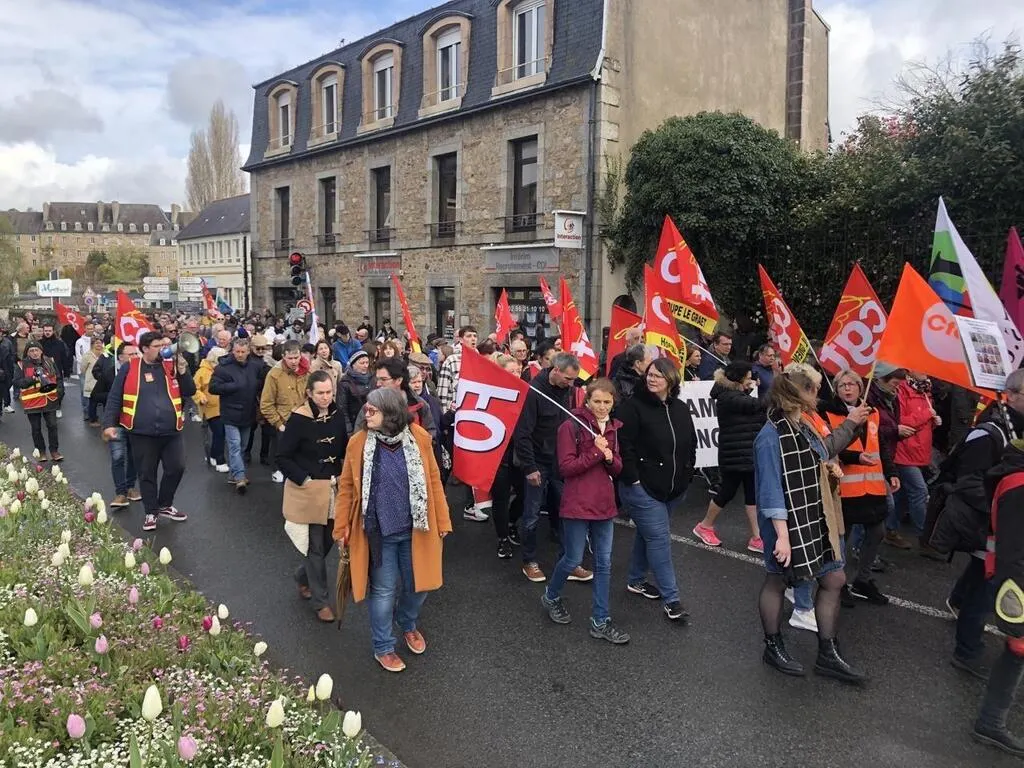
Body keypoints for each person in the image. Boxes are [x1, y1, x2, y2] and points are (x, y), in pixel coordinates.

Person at [753, 365, 868, 683]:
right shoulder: (770, 436)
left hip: (814, 518)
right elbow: (771, 490)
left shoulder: (802, 425)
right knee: (777, 580)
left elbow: (824, 450)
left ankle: (827, 653)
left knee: (833, 578)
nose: (819, 394)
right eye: (813, 389)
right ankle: (773, 646)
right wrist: (781, 536)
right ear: (799, 392)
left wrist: (852, 423)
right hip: (786, 526)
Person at [333, 387, 452, 673]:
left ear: (391, 413)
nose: (366, 413)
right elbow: (347, 487)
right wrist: (340, 528)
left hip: (416, 530)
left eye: (373, 409)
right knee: (383, 592)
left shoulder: (420, 438)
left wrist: (444, 520)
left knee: (419, 586)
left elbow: (434, 481)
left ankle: (407, 621)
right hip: (377, 534)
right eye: (367, 408)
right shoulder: (358, 442)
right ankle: (383, 646)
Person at [930, 372, 1024, 680]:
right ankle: (967, 650)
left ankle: (956, 601)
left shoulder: (1013, 429)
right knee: (986, 590)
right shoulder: (988, 434)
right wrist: (1004, 505)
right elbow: (969, 483)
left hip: (995, 523)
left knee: (978, 574)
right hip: (990, 524)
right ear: (1010, 395)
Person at [542, 378, 629, 644]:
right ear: (586, 401)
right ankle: (550, 596)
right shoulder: (570, 427)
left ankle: (600, 620)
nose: (602, 407)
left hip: (604, 505)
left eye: (607, 402)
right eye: (597, 401)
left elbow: (617, 468)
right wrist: (594, 452)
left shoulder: (613, 428)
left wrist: (609, 457)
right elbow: (566, 468)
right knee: (572, 559)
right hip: (577, 503)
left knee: (604, 563)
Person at [617, 358, 696, 621]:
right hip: (642, 490)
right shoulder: (632, 408)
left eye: (658, 376)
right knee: (659, 540)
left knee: (648, 535)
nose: (652, 379)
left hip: (673, 489)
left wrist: (687, 474)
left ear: (671, 381)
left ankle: (636, 579)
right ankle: (672, 599)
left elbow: (690, 444)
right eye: (649, 374)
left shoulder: (681, 409)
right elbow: (623, 446)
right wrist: (634, 481)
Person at [819, 368, 899, 605]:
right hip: (845, 485)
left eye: (852, 384)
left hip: (872, 486)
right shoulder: (827, 412)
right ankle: (839, 581)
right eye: (843, 385)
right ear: (836, 389)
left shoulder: (871, 412)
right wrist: (855, 459)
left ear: (860, 388)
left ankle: (863, 579)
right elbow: (828, 446)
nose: (848, 388)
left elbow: (880, 444)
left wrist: (891, 472)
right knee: (844, 537)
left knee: (877, 532)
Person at [103, 331, 196, 532]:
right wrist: (109, 424)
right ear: (144, 348)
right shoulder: (130, 367)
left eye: (164, 345)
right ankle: (151, 513)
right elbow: (114, 397)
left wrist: (183, 371)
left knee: (176, 467)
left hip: (171, 431)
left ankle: (164, 504)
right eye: (157, 346)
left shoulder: (171, 366)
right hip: (141, 432)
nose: (163, 349)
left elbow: (189, 391)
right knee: (147, 473)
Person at [278, 370, 350, 622]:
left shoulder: (338, 415)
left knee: (331, 540)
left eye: (329, 392)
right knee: (316, 547)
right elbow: (282, 456)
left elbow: (342, 450)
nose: (325, 397)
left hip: (333, 489)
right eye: (320, 393)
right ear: (309, 393)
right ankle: (321, 602)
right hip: (309, 493)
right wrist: (303, 479)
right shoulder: (298, 419)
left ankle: (302, 576)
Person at [513, 353, 591, 583]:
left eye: (574, 379)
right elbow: (523, 433)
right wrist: (529, 467)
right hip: (538, 461)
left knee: (566, 511)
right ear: (555, 370)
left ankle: (569, 562)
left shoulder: (568, 389)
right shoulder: (533, 391)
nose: (571, 384)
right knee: (531, 515)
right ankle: (529, 561)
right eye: (568, 379)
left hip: (561, 461)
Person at [970, 438, 1024, 757]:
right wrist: (1015, 612)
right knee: (1016, 654)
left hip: (1014, 580)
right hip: (1016, 586)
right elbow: (1012, 553)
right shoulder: (1018, 485)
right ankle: (991, 722)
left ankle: (991, 721)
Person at [693, 361, 766, 553]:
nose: (751, 381)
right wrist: (776, 394)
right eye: (748, 378)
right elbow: (755, 406)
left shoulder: (735, 395)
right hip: (734, 454)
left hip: (745, 453)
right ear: (739, 379)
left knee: (751, 493)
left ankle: (757, 536)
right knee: (727, 492)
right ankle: (704, 525)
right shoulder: (728, 397)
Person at [210, 337, 263, 494]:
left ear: (248, 352)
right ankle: (240, 477)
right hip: (230, 412)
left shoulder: (254, 366)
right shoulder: (223, 367)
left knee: (242, 446)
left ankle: (234, 474)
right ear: (232, 351)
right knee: (234, 445)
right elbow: (213, 387)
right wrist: (232, 386)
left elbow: (261, 381)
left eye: (243, 352)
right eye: (237, 351)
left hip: (248, 412)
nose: (240, 355)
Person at [894, 371, 939, 545]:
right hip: (904, 451)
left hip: (920, 452)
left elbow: (922, 424)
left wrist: (933, 423)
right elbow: (900, 420)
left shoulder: (926, 390)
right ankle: (925, 537)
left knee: (903, 496)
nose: (925, 371)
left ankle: (890, 529)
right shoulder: (902, 390)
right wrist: (926, 415)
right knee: (920, 492)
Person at [868, 363, 909, 549]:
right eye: (894, 382)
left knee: (878, 506)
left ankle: (866, 550)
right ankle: (862, 548)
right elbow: (869, 427)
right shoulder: (870, 397)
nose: (897, 387)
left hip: (886, 454)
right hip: (871, 457)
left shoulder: (892, 398)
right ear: (881, 379)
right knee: (882, 505)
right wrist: (895, 429)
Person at [259, 340, 311, 484]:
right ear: (283, 356)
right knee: (282, 452)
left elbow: (310, 394)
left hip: (303, 418)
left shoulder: (306, 371)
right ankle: (278, 470)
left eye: (297, 358)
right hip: (284, 420)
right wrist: (278, 424)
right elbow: (266, 404)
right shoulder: (274, 375)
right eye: (290, 358)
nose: (294, 361)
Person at [490, 355, 526, 558]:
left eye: (518, 371)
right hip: (499, 455)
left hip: (520, 454)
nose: (515, 375)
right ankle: (502, 538)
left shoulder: (526, 392)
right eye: (511, 371)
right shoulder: (493, 393)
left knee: (525, 494)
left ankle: (512, 521)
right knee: (501, 498)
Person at [103, 343, 142, 509]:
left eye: (136, 353)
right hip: (118, 422)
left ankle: (131, 487)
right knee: (118, 457)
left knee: (134, 457)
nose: (135, 357)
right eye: (131, 354)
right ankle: (120, 493)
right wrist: (108, 424)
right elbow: (110, 399)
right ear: (121, 358)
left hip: (135, 422)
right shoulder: (112, 374)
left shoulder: (142, 372)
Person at [15, 341, 63, 461]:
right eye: (32, 351)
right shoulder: (22, 365)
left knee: (52, 426)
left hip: (50, 399)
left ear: (41, 351)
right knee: (36, 429)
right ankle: (41, 451)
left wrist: (59, 392)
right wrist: (32, 379)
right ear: (27, 352)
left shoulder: (49, 361)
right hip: (32, 402)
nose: (35, 353)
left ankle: (54, 451)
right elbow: (17, 382)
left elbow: (58, 378)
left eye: (37, 350)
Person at [373, 358, 438, 442]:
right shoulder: (370, 406)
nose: (378, 384)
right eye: (377, 379)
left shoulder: (419, 405)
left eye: (384, 379)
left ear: (399, 380)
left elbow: (430, 431)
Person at [194, 347, 229, 472]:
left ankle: (214, 455)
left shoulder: (224, 369)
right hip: (210, 408)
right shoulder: (202, 372)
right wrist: (201, 397)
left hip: (224, 406)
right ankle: (220, 461)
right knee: (219, 433)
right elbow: (194, 388)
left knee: (221, 434)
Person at [436, 325, 478, 412]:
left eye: (475, 336)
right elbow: (442, 390)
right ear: (461, 340)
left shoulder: (480, 361)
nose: (473, 339)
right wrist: (444, 414)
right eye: (469, 336)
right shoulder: (451, 361)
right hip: (455, 411)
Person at [39, 322, 71, 417]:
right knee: (44, 390)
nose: (47, 333)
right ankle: (45, 408)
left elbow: (64, 358)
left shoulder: (60, 343)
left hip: (57, 371)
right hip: (42, 371)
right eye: (46, 331)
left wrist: (67, 372)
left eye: (49, 331)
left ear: (53, 331)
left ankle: (57, 407)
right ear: (43, 331)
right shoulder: (39, 343)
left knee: (59, 391)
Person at [339, 350, 371, 434]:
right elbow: (342, 409)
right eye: (362, 363)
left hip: (371, 422)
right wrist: (349, 431)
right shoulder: (345, 383)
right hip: (355, 424)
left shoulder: (372, 378)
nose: (365, 365)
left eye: (367, 362)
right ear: (353, 364)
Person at [80, 336, 105, 426]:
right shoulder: (87, 355)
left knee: (105, 400)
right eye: (96, 343)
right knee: (92, 402)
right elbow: (83, 369)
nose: (99, 345)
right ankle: (93, 419)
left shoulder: (105, 354)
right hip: (92, 381)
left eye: (100, 343)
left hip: (103, 382)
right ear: (92, 344)